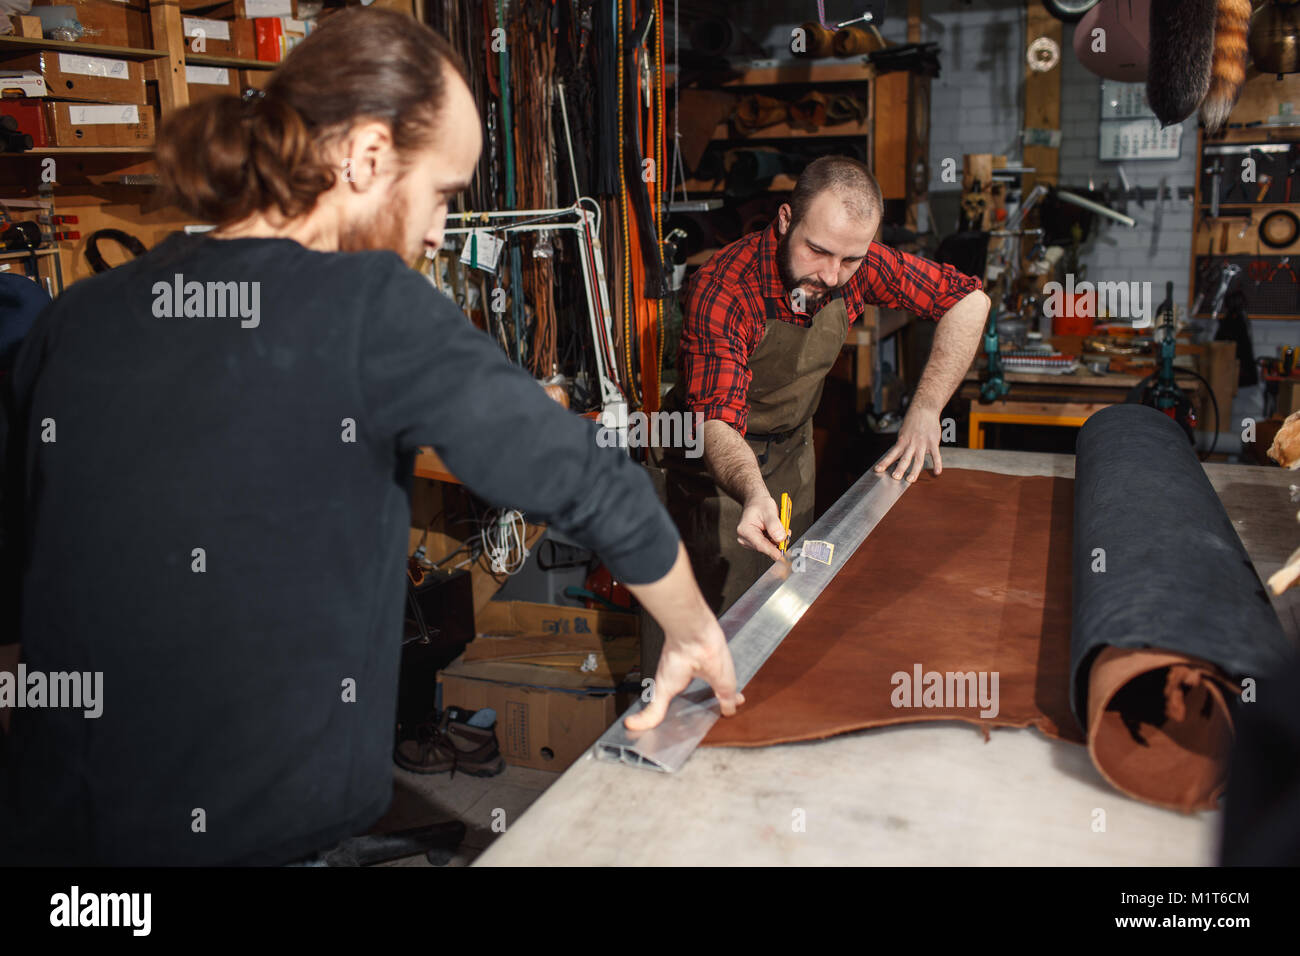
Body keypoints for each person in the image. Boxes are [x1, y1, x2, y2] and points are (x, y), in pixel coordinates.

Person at [0, 8, 738, 866]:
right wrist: (691, 631)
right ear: (366, 157)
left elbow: (28, 549)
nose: (435, 232)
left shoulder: (75, 317)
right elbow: (595, 481)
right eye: (442, 195)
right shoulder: (368, 306)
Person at [660, 156, 990, 615]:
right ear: (784, 220)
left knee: (785, 611)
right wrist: (755, 494)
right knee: (711, 629)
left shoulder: (855, 262)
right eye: (816, 251)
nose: (832, 276)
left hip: (792, 455)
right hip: (713, 473)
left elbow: (970, 302)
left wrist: (926, 407)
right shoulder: (724, 289)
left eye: (851, 258)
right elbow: (716, 420)